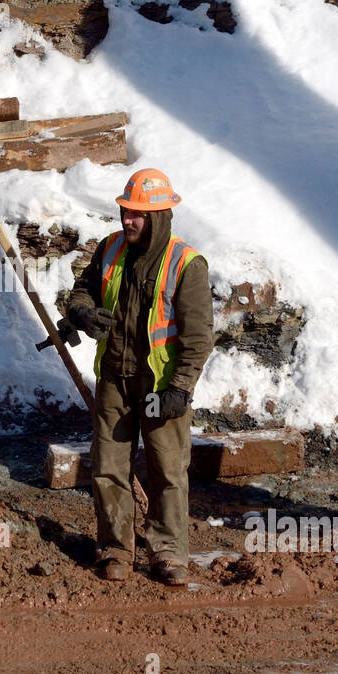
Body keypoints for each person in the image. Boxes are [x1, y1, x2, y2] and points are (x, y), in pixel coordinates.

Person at [65, 168, 211, 586]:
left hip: (160, 386)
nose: (128, 220)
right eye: (125, 211)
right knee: (109, 467)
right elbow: (82, 291)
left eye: (138, 215)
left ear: (161, 216)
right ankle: (114, 550)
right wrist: (82, 312)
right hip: (115, 378)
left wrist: (180, 389)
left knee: (167, 470)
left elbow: (199, 337)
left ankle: (168, 554)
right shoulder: (110, 249)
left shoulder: (186, 264)